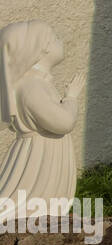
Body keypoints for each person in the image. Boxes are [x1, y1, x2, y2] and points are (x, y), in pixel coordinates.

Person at [0, 21, 83, 219]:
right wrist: (71, 97)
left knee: (37, 207)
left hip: (40, 151)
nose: (60, 40)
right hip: (39, 156)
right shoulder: (32, 87)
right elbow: (63, 122)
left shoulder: (36, 84)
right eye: (54, 38)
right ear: (40, 49)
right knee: (26, 204)